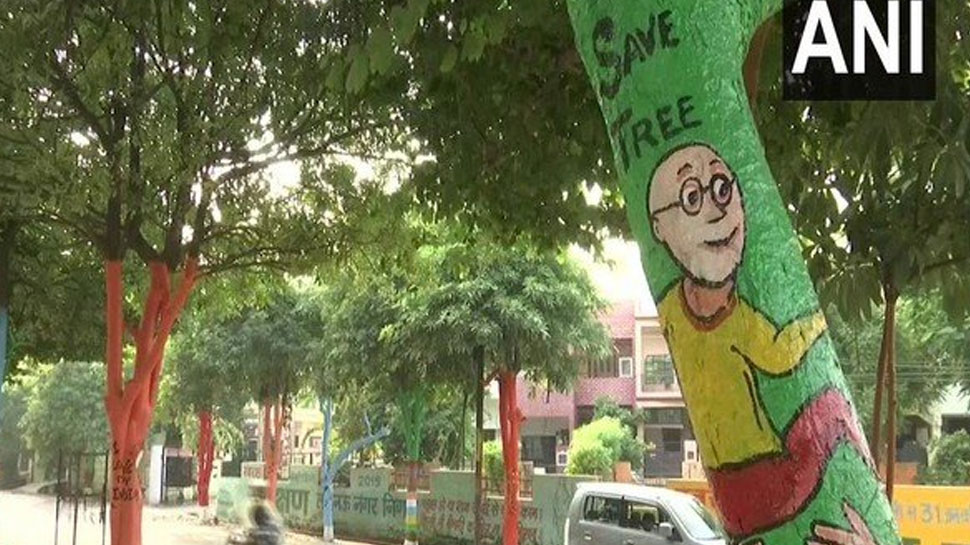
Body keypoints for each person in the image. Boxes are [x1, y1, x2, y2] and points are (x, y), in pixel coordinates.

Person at [648, 143, 875, 542]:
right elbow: (781, 354)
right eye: (691, 197)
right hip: (768, 482)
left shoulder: (674, 309)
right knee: (832, 410)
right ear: (659, 228)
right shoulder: (736, 320)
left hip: (730, 489)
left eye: (721, 189)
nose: (716, 211)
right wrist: (813, 324)